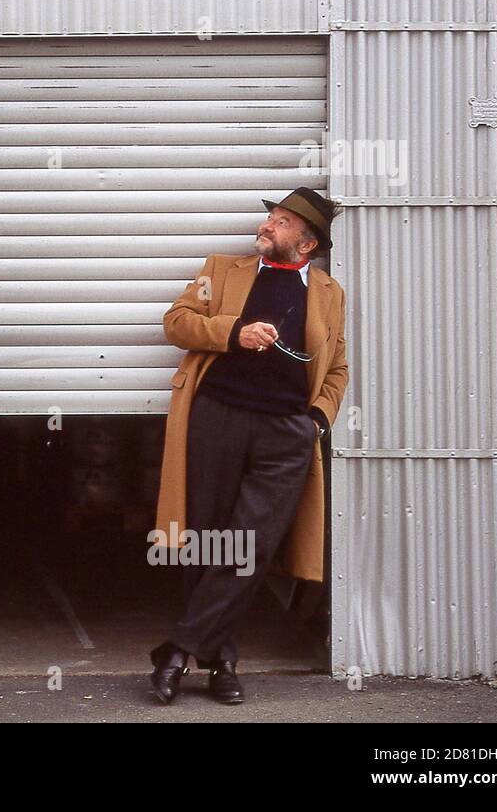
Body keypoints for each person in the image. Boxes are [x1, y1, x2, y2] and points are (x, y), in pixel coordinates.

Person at [148, 187, 348, 704]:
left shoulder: (329, 292)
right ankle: (222, 664)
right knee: (208, 539)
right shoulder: (222, 270)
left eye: (281, 223)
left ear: (305, 244)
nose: (267, 227)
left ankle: (177, 650)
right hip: (218, 418)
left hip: (285, 432)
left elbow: (338, 369)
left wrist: (316, 422)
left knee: (252, 546)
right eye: (272, 217)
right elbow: (176, 322)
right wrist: (233, 332)